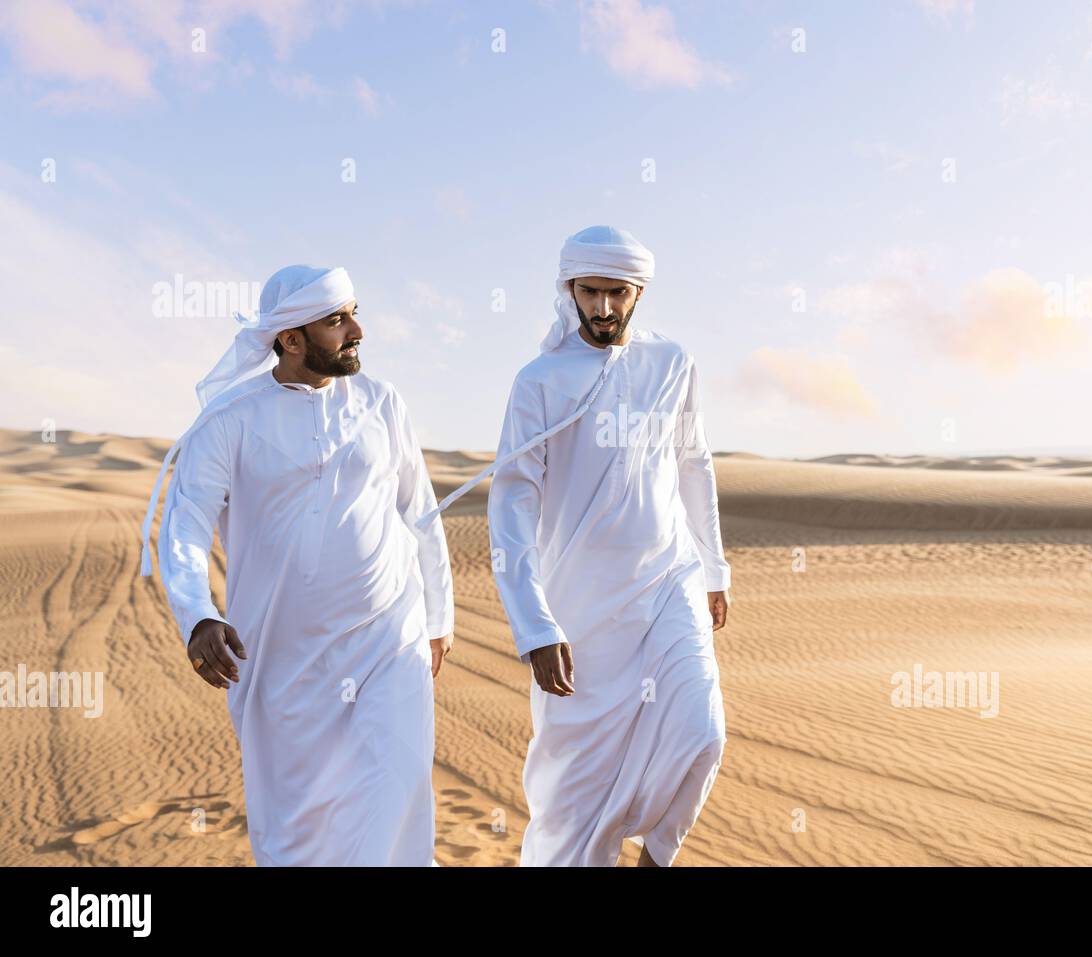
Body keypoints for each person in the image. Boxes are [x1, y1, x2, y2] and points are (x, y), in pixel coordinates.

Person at [139, 264, 455, 866]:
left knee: (398, 788)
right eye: (336, 320)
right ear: (288, 339)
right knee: (298, 833)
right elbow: (183, 528)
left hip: (389, 641)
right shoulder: (232, 419)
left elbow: (419, 512)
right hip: (283, 658)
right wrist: (197, 616)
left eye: (353, 312)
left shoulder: (383, 402)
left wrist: (437, 617)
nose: (356, 329)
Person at [488, 226, 731, 867]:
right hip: (578, 604)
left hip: (668, 579)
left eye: (617, 293)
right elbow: (511, 501)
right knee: (576, 785)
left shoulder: (672, 362)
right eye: (589, 292)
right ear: (568, 291)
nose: (602, 308)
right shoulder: (539, 380)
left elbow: (693, 464)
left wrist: (714, 568)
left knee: (702, 735)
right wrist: (533, 625)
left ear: (638, 292)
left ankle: (657, 854)